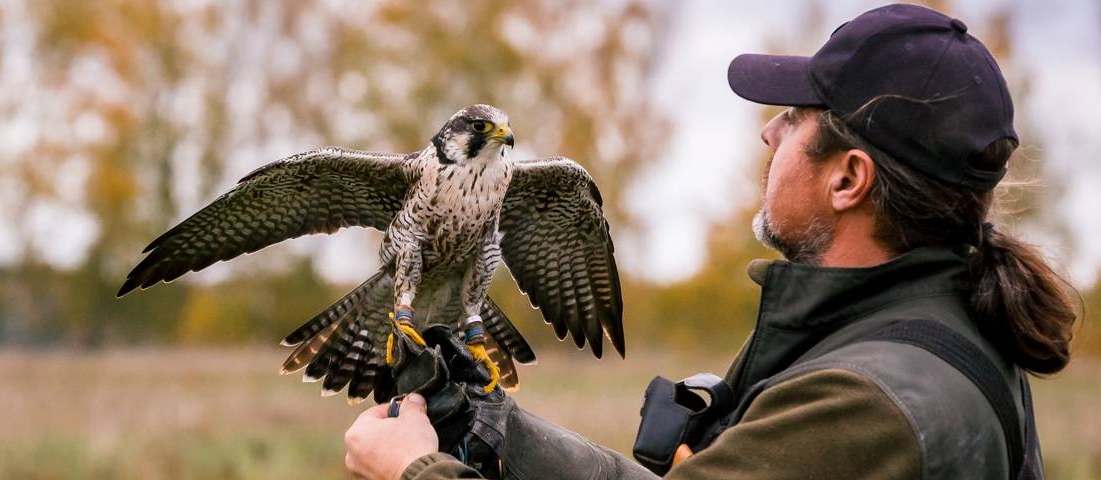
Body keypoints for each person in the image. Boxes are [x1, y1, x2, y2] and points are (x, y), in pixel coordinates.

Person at [343, 4, 1077, 479]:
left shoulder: (862, 402)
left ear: (848, 179)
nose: (769, 131)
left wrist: (414, 472)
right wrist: (495, 429)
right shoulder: (920, 342)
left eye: (794, 118)